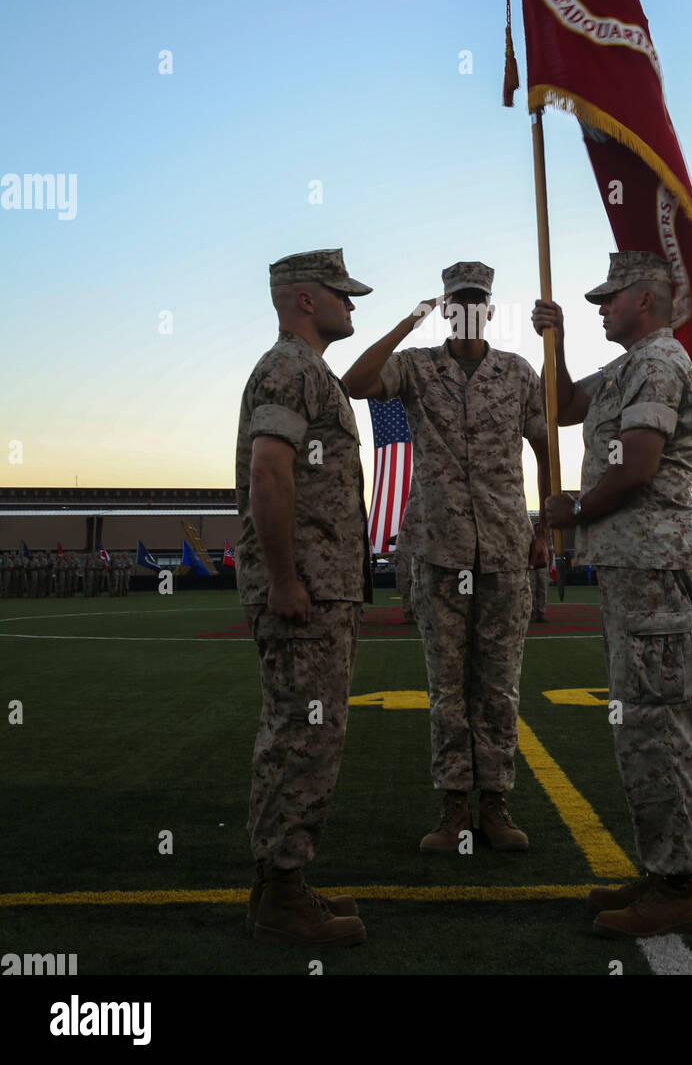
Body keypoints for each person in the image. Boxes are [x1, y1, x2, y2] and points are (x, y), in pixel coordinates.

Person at [344, 261, 550, 852]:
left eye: (477, 299)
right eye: (456, 299)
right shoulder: (415, 367)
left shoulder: (517, 372)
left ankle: (496, 805)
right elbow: (356, 382)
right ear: (445, 303)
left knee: (500, 684)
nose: (467, 307)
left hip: (506, 547)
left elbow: (544, 446)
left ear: (489, 307)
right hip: (438, 549)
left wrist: (544, 532)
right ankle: (453, 807)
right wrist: (411, 320)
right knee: (447, 686)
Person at [533, 251, 692, 938]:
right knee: (642, 720)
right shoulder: (625, 367)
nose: (600, 307)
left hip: (653, 562)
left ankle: (678, 885)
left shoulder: (658, 361)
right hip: (634, 566)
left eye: (609, 298)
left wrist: (574, 511)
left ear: (644, 297)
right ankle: (662, 869)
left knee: (658, 724)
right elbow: (563, 405)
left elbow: (637, 465)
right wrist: (557, 340)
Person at [235, 248, 373, 948]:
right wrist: (286, 579)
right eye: (343, 294)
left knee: (305, 737)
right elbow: (269, 474)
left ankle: (280, 884)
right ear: (307, 301)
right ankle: (282, 894)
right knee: (301, 738)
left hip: (321, 590)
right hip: (305, 594)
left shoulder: (307, 371)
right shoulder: (290, 368)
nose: (354, 305)